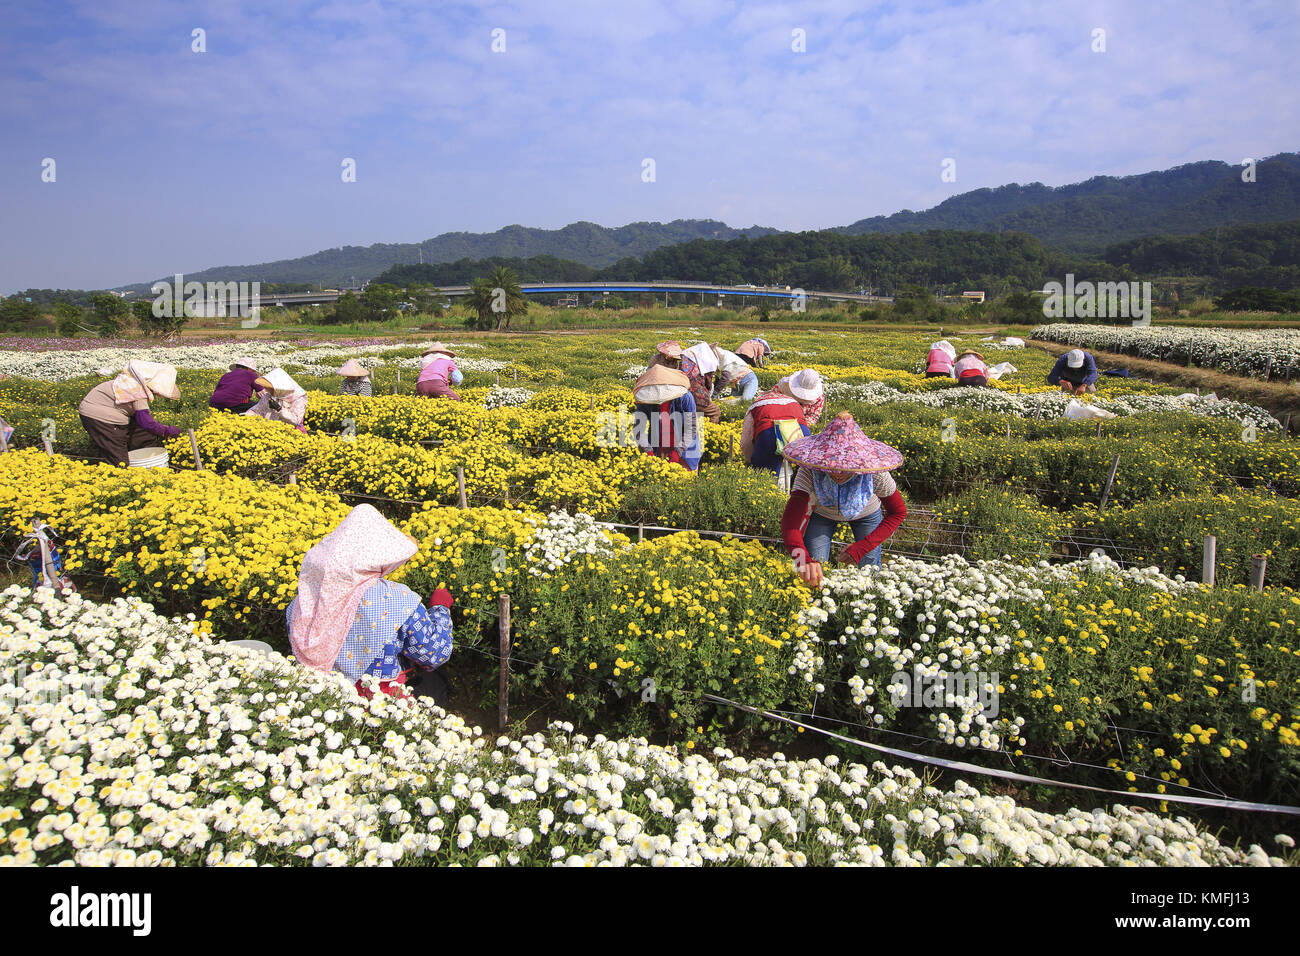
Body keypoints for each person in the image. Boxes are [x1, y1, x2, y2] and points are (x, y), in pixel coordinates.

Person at [286, 503, 453, 702]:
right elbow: (433, 655)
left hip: (320, 700)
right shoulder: (396, 600)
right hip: (381, 705)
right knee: (436, 684)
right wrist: (440, 609)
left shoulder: (304, 601)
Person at [780, 412, 907, 585]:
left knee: (869, 568)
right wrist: (803, 560)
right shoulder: (810, 469)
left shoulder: (875, 473)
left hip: (867, 513)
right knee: (815, 569)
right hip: (823, 513)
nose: (837, 473)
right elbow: (790, 522)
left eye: (846, 468)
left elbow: (898, 512)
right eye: (831, 466)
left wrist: (862, 547)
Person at [77, 360, 183, 466]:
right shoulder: (138, 390)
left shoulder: (131, 382)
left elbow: (143, 424)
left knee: (144, 434)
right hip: (99, 416)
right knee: (117, 457)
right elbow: (145, 422)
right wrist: (166, 431)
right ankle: (119, 475)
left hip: (103, 408)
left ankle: (145, 461)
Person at [741, 368, 824, 485]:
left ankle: (772, 491)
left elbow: (746, 442)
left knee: (765, 469)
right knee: (800, 467)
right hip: (798, 428)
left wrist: (750, 460)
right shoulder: (786, 392)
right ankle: (793, 490)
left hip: (769, 432)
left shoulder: (757, 405)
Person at [632, 365, 700, 471]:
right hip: (659, 446)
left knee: (687, 482)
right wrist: (648, 450)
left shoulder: (684, 397)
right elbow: (638, 429)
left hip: (686, 448)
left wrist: (677, 452)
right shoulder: (645, 399)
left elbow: (691, 428)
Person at [246, 368, 308, 433]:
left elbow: (296, 420)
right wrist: (246, 416)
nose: (267, 390)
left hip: (289, 433)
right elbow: (256, 410)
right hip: (269, 430)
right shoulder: (269, 395)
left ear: (278, 387)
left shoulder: (298, 398)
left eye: (270, 388)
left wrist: (279, 409)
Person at [679, 341, 722, 424]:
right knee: (714, 411)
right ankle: (709, 431)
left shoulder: (686, 358)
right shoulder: (707, 361)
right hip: (695, 395)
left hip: (679, 394)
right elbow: (708, 384)